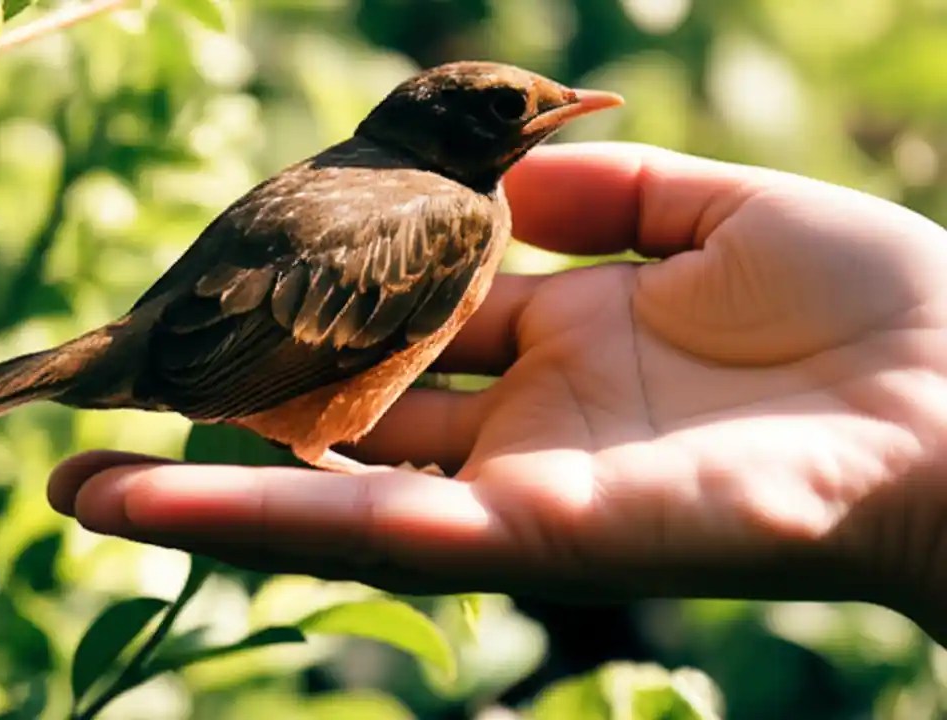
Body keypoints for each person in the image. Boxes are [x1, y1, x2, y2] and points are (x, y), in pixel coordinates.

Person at [46, 142, 947, 645]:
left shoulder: (426, 201)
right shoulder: (447, 212)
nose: (556, 118)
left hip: (191, 339)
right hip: (214, 356)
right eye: (514, 111)